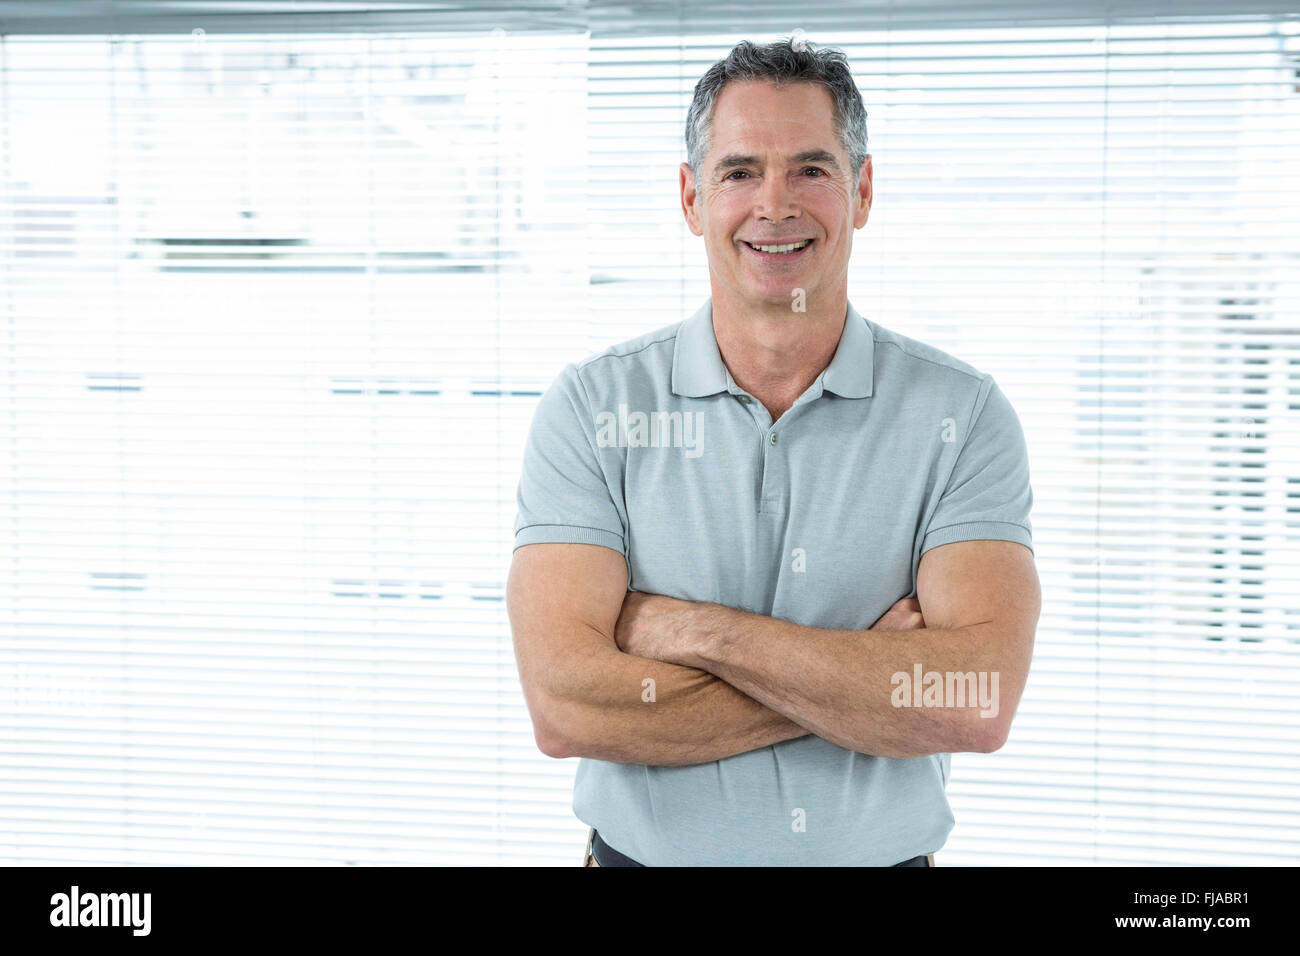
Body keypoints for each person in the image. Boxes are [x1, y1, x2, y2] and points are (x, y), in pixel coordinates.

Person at [507, 36, 1041, 866]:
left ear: (862, 192)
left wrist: (697, 634)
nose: (775, 203)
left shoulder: (962, 416)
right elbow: (565, 710)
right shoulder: (592, 408)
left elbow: (973, 702)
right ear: (691, 198)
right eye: (740, 171)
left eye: (812, 169)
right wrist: (867, 678)